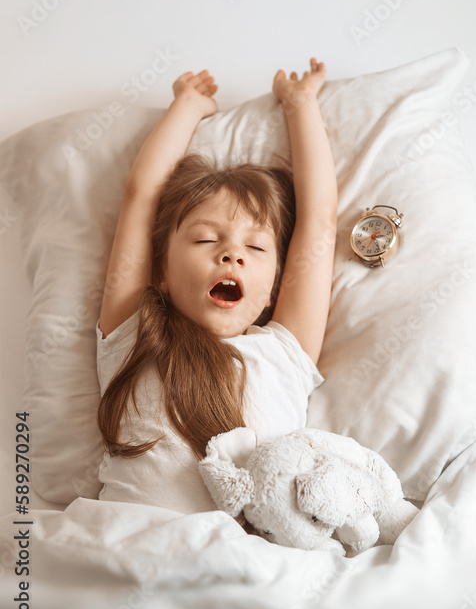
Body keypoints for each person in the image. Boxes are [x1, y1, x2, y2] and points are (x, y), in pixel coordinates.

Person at [96, 58, 338, 516]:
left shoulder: (285, 353)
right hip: (132, 540)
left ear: (272, 293)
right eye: (206, 239)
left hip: (247, 558)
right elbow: (141, 197)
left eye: (256, 247)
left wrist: (301, 107)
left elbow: (320, 222)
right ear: (161, 274)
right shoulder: (134, 334)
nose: (232, 254)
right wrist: (186, 108)